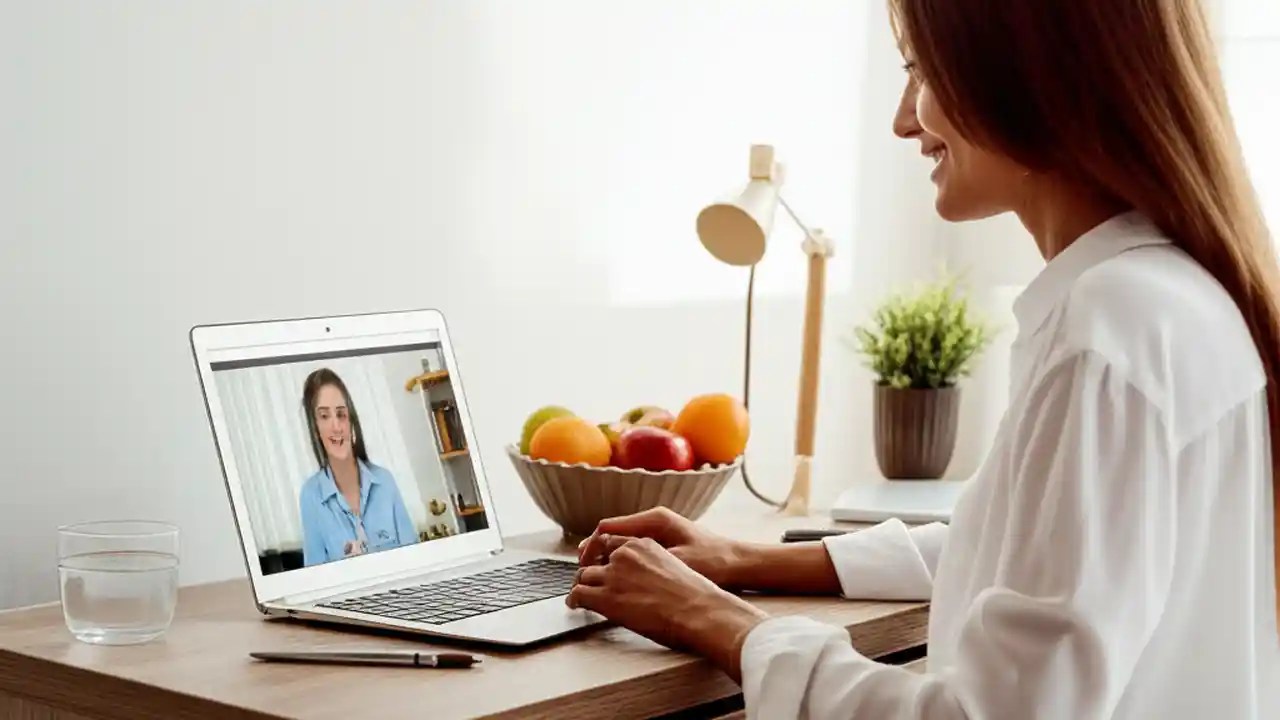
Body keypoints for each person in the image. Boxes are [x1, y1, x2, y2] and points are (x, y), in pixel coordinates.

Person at [567, 0, 1280, 717]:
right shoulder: (1173, 297)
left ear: (1026, 76)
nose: (904, 120)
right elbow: (1015, 548)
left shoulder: (1108, 332)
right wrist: (745, 560)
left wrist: (719, 622)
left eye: (919, 71)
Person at [298, 368, 417, 566]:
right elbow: (316, 582)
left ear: (351, 420)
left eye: (341, 414)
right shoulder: (310, 496)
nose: (336, 426)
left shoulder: (385, 482)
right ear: (315, 428)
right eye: (325, 416)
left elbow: (414, 561)